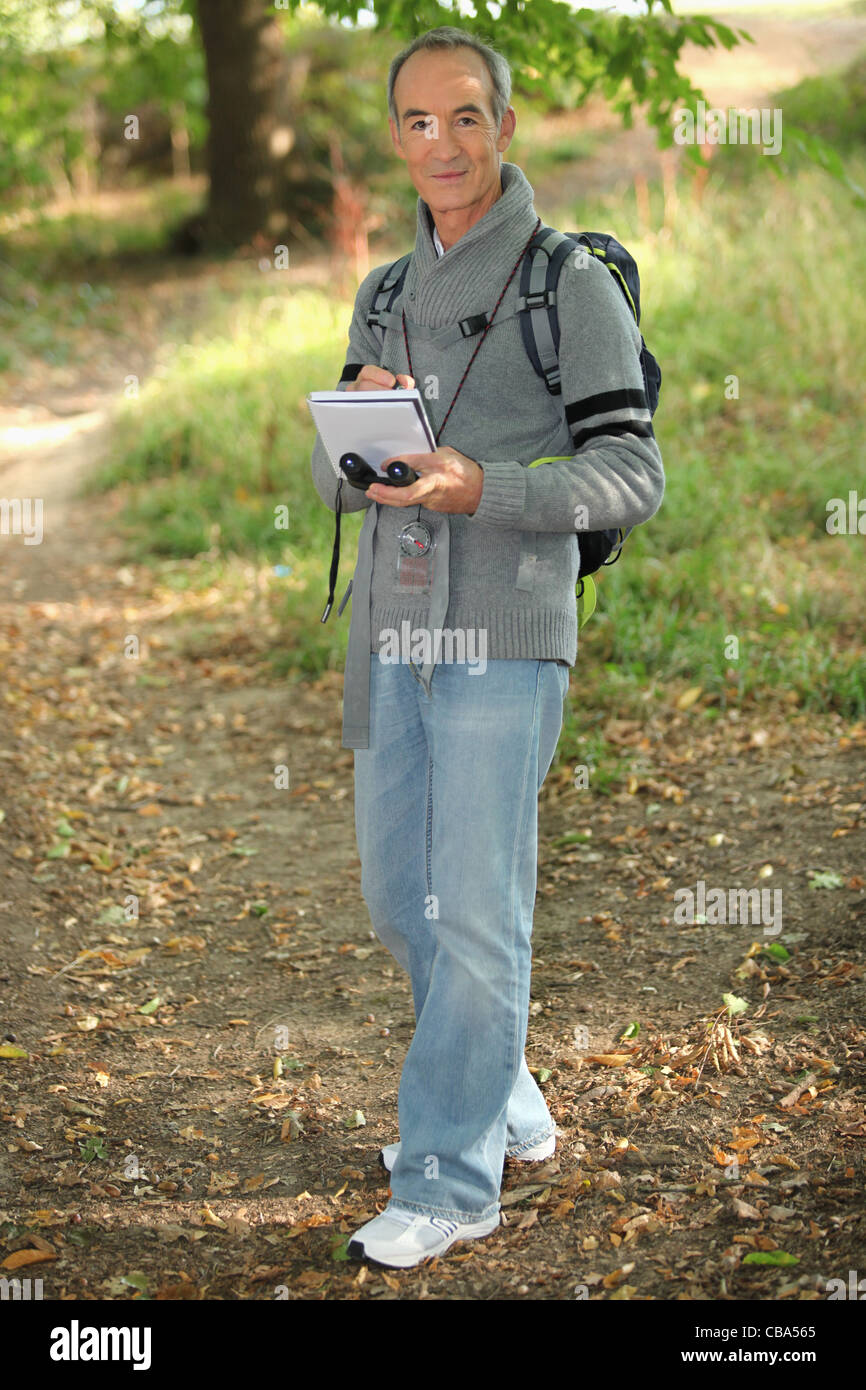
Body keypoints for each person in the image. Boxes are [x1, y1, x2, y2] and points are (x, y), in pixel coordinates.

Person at [309, 25, 665, 1270]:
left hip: (503, 626)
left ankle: (448, 1178)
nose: (443, 143)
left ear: (503, 127)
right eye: (417, 122)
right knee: (392, 899)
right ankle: (498, 1080)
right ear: (395, 138)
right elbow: (347, 483)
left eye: (466, 117)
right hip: (388, 629)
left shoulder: (565, 279)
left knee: (475, 909)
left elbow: (631, 472)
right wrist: (349, 442)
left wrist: (484, 488)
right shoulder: (388, 290)